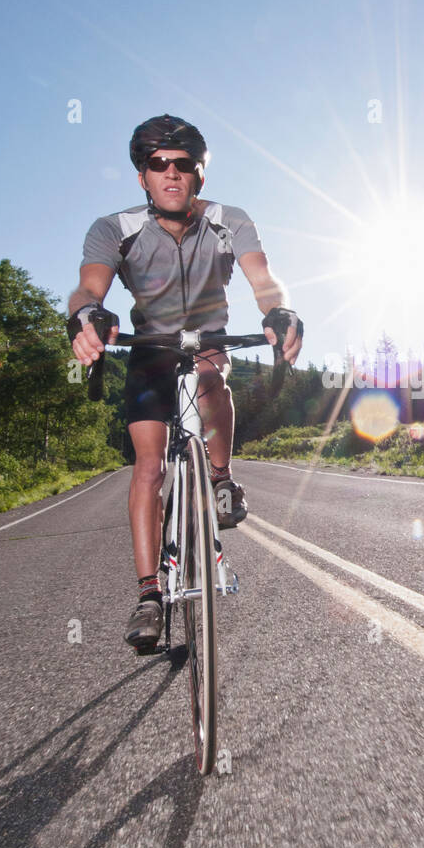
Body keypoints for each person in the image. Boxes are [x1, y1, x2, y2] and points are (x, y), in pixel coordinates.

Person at [67, 113, 303, 652]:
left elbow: (263, 279)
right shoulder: (114, 228)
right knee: (149, 465)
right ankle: (149, 594)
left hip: (207, 341)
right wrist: (88, 318)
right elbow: (88, 288)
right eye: (158, 165)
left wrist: (280, 312)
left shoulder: (229, 219)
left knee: (210, 379)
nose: (171, 174)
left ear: (199, 174)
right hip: (149, 350)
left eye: (184, 165)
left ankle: (220, 478)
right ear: (143, 176)